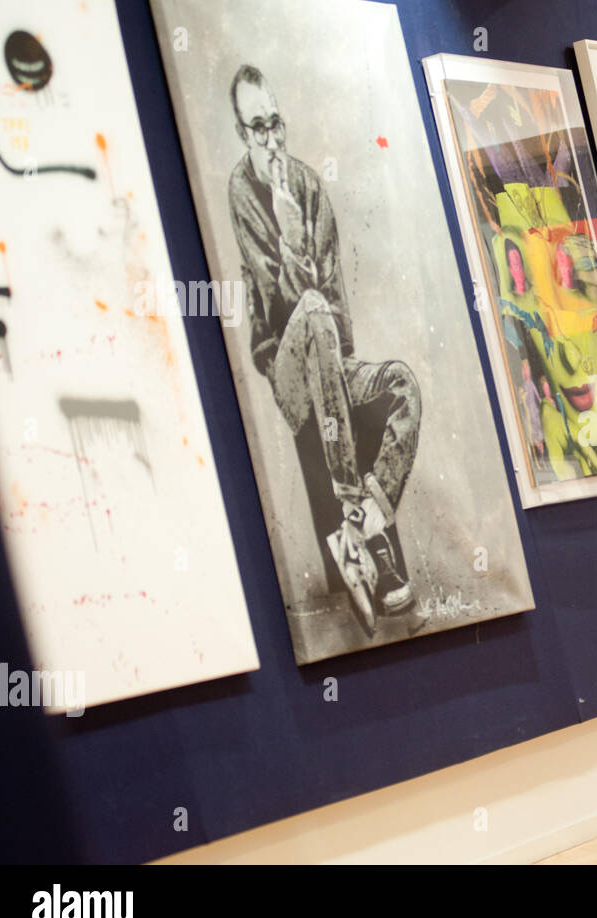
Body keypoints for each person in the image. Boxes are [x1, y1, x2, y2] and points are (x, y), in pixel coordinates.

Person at [227, 64, 420, 634]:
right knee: (308, 312)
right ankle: (356, 512)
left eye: (276, 124)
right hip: (286, 367)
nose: (272, 139)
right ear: (243, 133)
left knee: (402, 382)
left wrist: (344, 374)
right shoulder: (243, 192)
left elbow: (335, 296)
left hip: (330, 355)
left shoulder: (311, 184)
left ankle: (368, 523)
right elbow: (282, 299)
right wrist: (287, 224)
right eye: (258, 127)